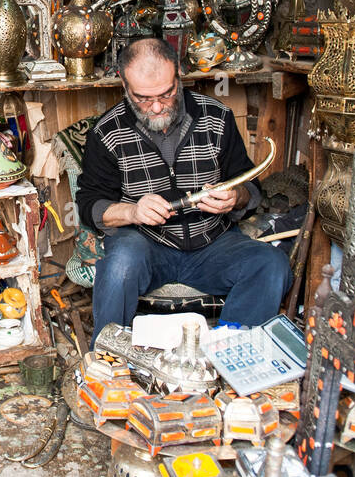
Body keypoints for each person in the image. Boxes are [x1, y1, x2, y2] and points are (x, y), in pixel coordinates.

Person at [75, 38, 289, 342]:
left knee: (271, 264)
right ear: (124, 83)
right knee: (120, 263)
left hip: (213, 246)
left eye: (167, 93)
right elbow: (89, 204)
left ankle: (229, 355)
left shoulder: (217, 117)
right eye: (143, 99)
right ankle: (109, 362)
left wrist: (234, 198)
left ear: (179, 74)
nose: (158, 106)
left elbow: (248, 185)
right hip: (145, 247)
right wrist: (133, 211)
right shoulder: (107, 132)